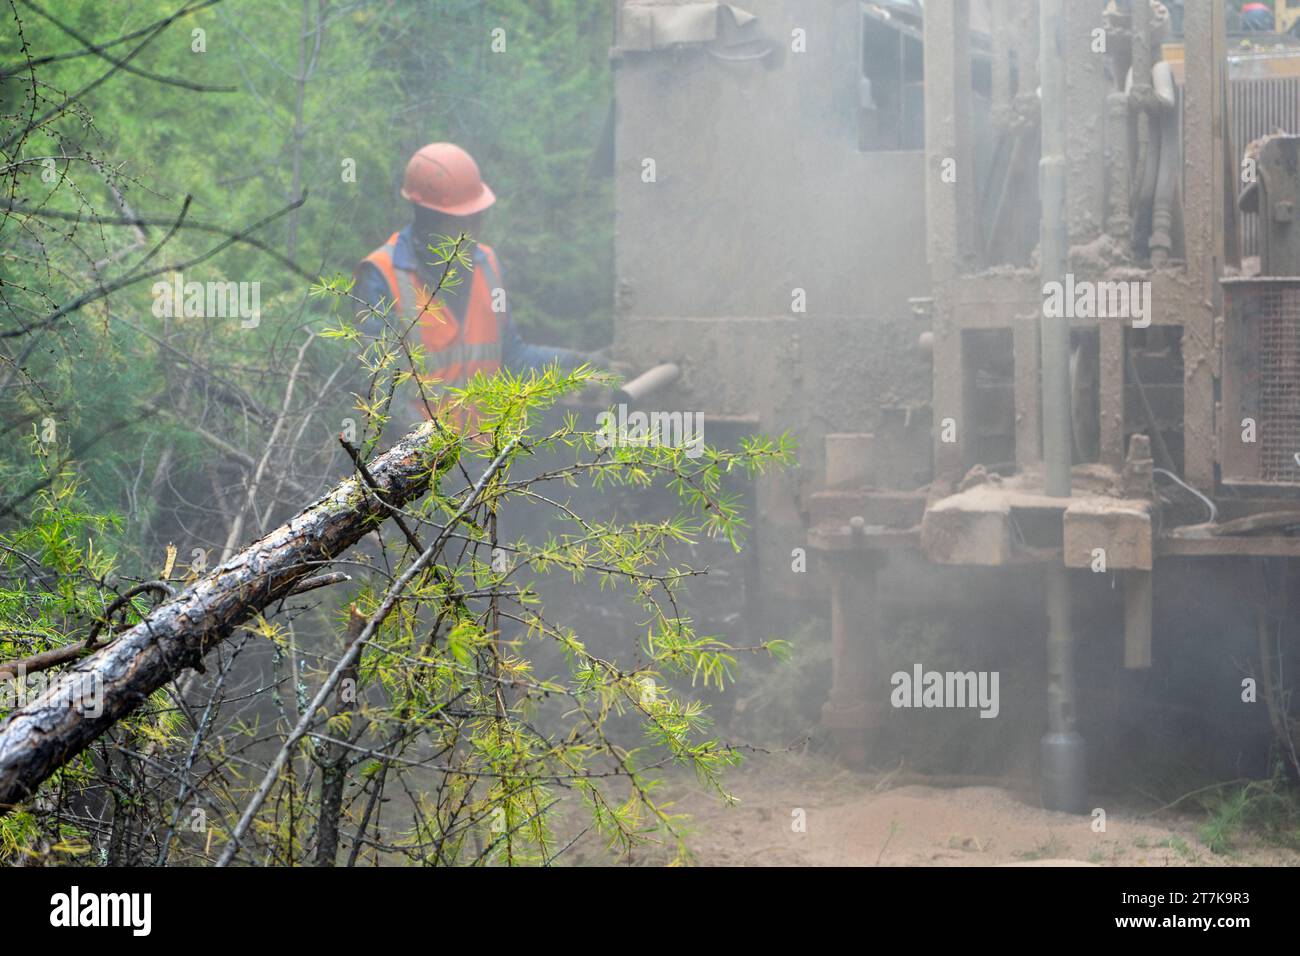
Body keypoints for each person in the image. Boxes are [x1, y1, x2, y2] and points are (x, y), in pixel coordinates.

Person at [355, 142, 599, 430]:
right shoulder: (381, 275)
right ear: (427, 219)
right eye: (464, 221)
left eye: (478, 218)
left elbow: (512, 357)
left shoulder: (488, 266)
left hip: (482, 461)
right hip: (416, 467)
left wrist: (579, 363)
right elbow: (381, 394)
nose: (475, 230)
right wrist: (432, 453)